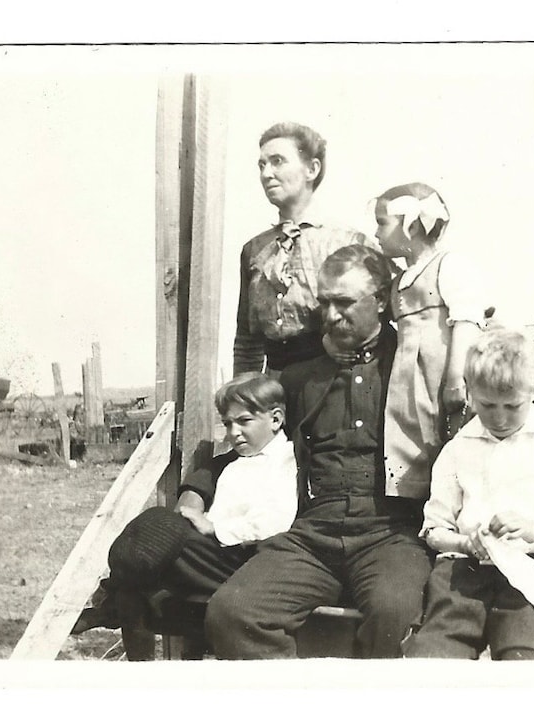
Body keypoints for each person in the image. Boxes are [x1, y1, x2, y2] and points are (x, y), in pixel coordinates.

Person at [205, 244, 433, 659]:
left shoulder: (413, 366)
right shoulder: (300, 378)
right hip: (311, 536)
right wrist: (194, 489)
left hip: (391, 535)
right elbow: (246, 433)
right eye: (324, 303)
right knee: (233, 612)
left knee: (396, 614)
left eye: (344, 303)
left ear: (381, 300)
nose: (330, 316)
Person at [402, 328, 534, 660]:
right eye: (487, 405)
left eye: (512, 406)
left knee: (525, 659)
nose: (499, 418)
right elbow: (435, 531)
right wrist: (464, 543)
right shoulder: (458, 449)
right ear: (469, 393)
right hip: (466, 572)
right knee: (433, 659)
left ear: (533, 392)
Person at [71, 374, 298, 657]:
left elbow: (276, 521)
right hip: (215, 554)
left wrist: (214, 528)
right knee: (143, 560)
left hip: (245, 562)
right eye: (228, 423)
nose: (233, 432)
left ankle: (108, 605)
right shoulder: (239, 462)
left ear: (275, 420)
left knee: (159, 523)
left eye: (244, 421)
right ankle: (118, 613)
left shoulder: (286, 463)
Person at [373, 182, 485, 501]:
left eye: (383, 223)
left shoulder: (447, 266)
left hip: (440, 376)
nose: (377, 233)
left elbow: (465, 321)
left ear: (410, 227)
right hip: (409, 381)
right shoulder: (400, 280)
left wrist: (454, 380)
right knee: (411, 442)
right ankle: (417, 503)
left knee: (449, 440)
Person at [233, 122, 374, 376]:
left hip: (331, 381)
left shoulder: (348, 242)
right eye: (262, 165)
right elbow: (247, 340)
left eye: (277, 161)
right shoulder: (254, 250)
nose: (266, 173)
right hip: (274, 388)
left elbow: (375, 323)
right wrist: (244, 396)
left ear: (312, 169)